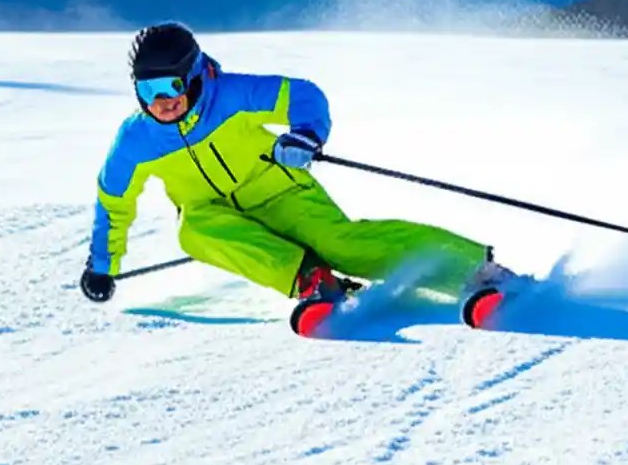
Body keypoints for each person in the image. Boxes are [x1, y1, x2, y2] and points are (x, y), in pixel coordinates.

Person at [78, 22, 512, 336]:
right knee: (192, 230)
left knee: (342, 245)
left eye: (172, 86)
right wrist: (102, 266)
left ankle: (476, 271)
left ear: (194, 76)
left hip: (281, 190)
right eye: (149, 91)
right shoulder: (136, 140)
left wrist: (306, 133)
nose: (164, 101)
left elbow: (303, 94)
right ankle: (313, 281)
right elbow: (113, 203)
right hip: (219, 214)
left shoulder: (232, 95)